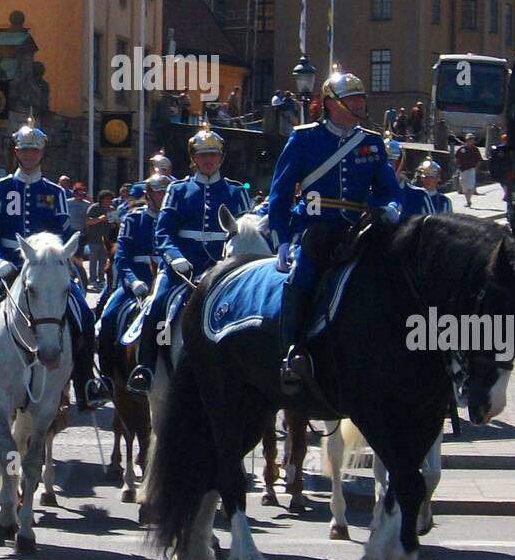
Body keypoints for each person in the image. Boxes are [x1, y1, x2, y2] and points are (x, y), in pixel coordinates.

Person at [0, 117, 111, 413]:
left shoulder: (55, 192)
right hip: (3, 265)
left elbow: (61, 233)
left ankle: (87, 383)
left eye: (34, 151)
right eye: (24, 150)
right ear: (16, 153)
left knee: (84, 316)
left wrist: (63, 261)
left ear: (42, 154)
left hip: (44, 270)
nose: (29, 155)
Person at [268, 72, 403, 392]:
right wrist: (283, 239)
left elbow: (389, 189)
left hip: (357, 230)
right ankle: (293, 350)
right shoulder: (303, 139)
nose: (360, 104)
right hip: (314, 230)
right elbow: (281, 192)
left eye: (361, 98)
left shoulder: (371, 143)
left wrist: (392, 208)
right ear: (331, 104)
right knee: (302, 275)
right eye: (353, 99)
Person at [128, 123, 251, 394]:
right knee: (157, 304)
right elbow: (163, 232)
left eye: (213, 155)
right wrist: (174, 258)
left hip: (224, 267)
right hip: (182, 268)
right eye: (203, 155)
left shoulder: (236, 192)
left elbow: (246, 231)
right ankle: (146, 368)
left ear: (221, 157)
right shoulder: (178, 190)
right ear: (193, 159)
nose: (208, 160)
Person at [96, 173, 170, 383]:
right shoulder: (134, 219)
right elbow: (121, 256)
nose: (164, 196)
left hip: (167, 282)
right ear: (149, 195)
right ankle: (106, 378)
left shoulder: (175, 220)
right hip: (137, 283)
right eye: (159, 192)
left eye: (167, 192)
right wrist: (133, 280)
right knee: (108, 319)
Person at [85, 190, 114, 289]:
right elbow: (88, 221)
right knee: (93, 260)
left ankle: (101, 279)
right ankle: (93, 280)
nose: (109, 201)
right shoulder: (94, 208)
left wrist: (114, 220)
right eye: (107, 199)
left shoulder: (112, 209)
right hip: (94, 238)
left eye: (110, 199)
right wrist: (99, 219)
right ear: (102, 199)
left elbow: (115, 224)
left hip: (106, 240)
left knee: (103, 260)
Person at [455, 133, 483, 208]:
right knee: (464, 186)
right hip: (462, 170)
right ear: (466, 140)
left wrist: (475, 168)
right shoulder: (461, 149)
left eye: (472, 140)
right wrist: (458, 166)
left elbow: (479, 160)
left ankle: (468, 201)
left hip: (471, 169)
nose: (470, 141)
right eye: (469, 140)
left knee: (470, 185)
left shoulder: (475, 149)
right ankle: (467, 198)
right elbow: (456, 158)